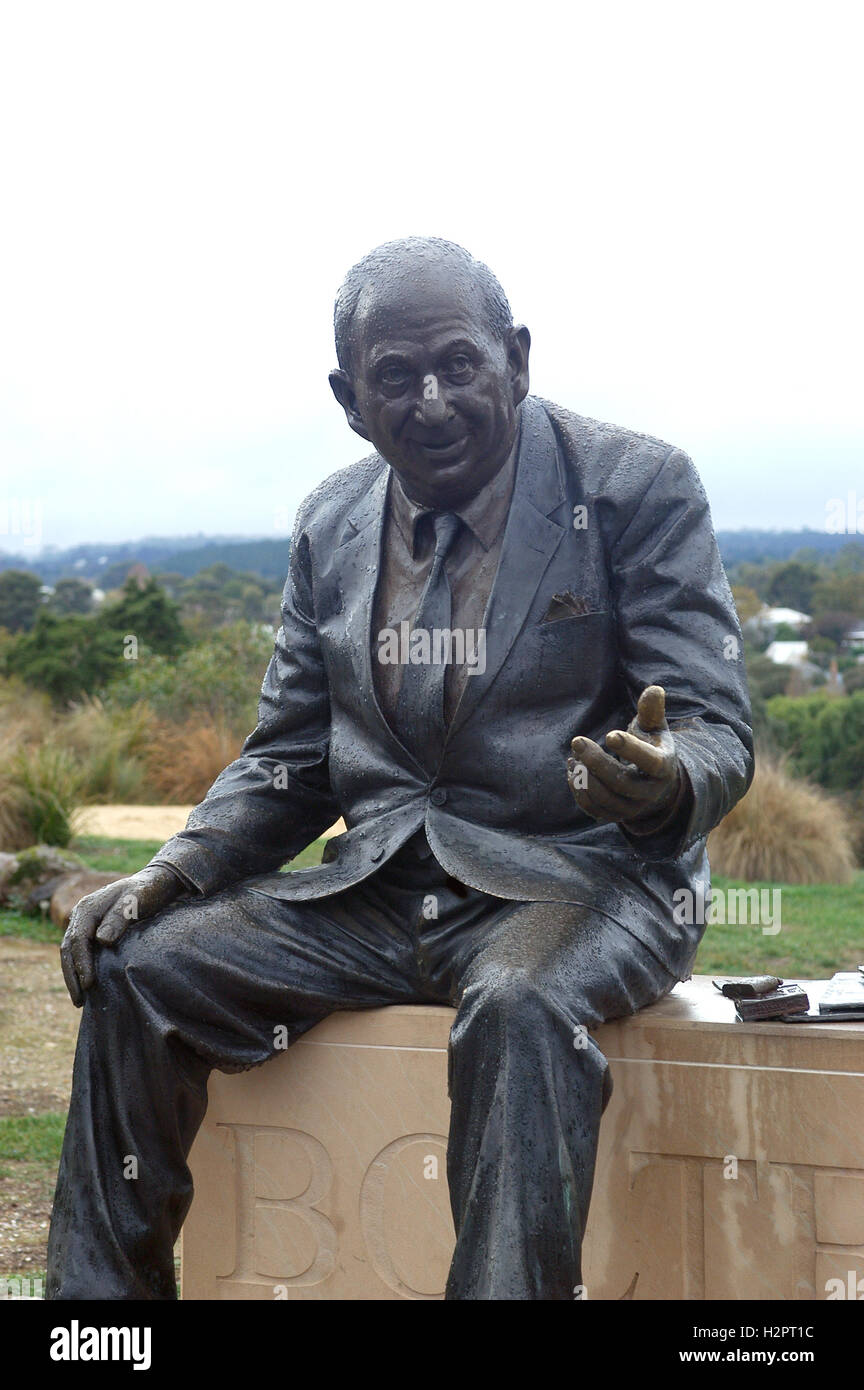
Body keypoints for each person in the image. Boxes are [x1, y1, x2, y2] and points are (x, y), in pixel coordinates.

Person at [47, 236, 753, 1300]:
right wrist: (172, 872)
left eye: (459, 364)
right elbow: (291, 759)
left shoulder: (632, 486)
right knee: (138, 970)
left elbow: (712, 723)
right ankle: (100, 1319)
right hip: (382, 889)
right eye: (394, 377)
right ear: (347, 397)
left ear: (516, 358)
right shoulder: (332, 522)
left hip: (586, 879)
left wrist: (671, 780)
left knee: (519, 1006)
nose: (431, 401)